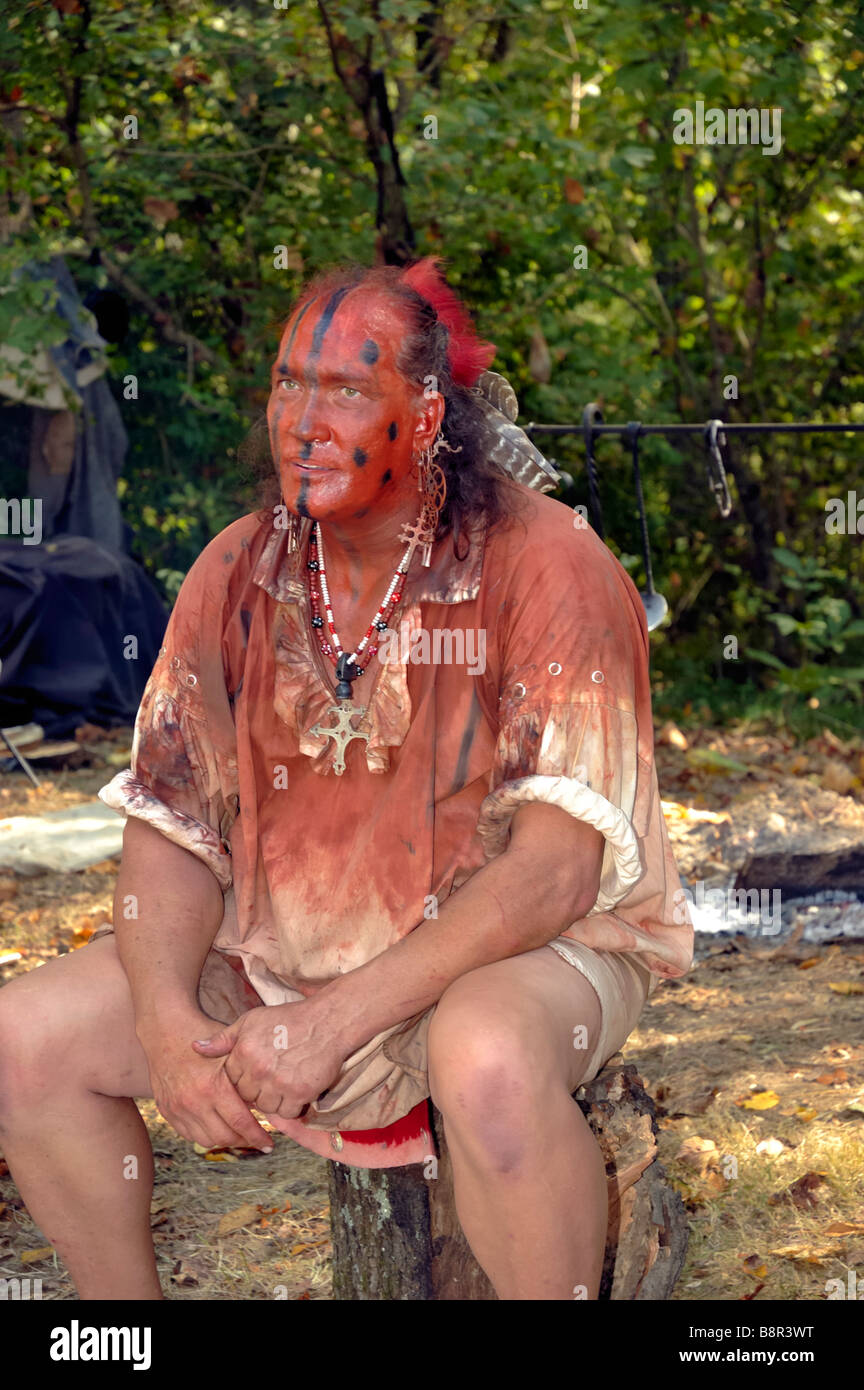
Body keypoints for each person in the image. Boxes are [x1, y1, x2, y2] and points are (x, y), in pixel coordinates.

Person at [0, 256, 693, 1301]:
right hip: (290, 951)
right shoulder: (238, 570)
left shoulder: (547, 562)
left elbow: (552, 876)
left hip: (526, 952)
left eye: (344, 390)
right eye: (289, 383)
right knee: (24, 1041)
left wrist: (329, 1026)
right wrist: (166, 1027)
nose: (303, 420)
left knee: (487, 1058)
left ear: (423, 418)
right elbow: (168, 831)